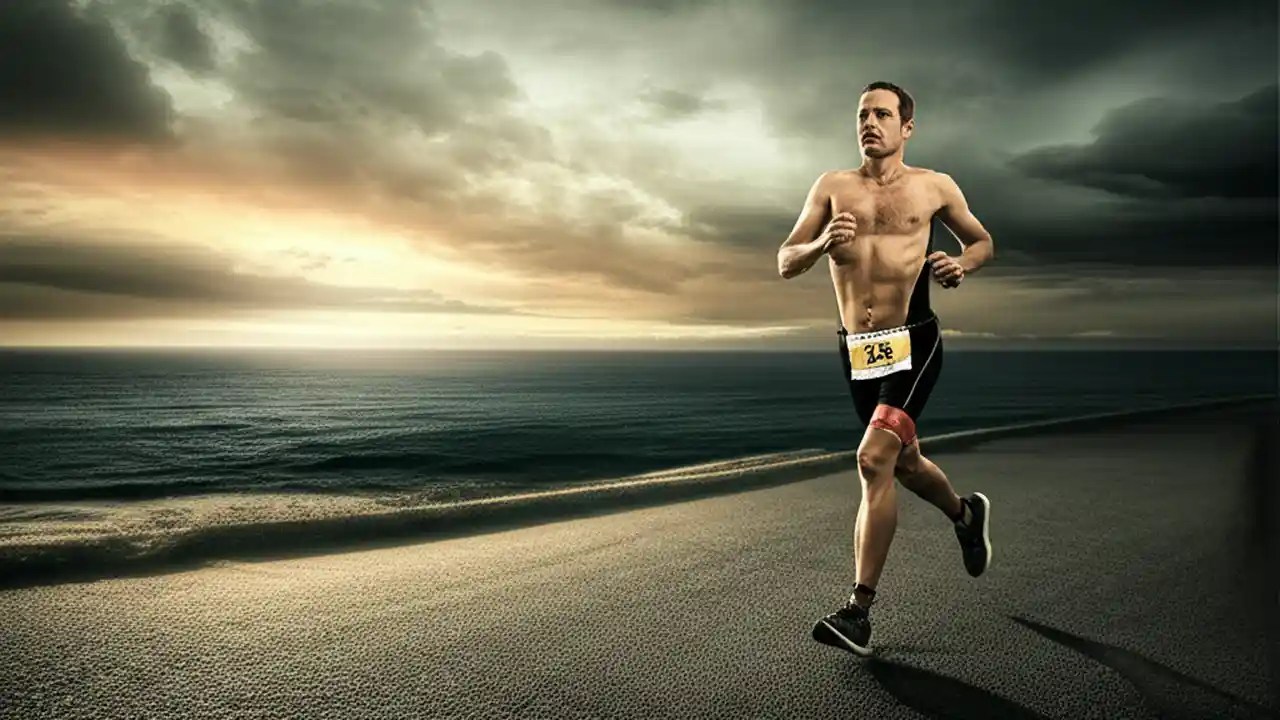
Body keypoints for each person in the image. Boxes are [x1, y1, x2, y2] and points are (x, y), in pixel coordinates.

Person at [776, 81, 995, 657]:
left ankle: (858, 612)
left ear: (907, 127)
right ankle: (965, 513)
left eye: (882, 114)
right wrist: (821, 241)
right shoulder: (831, 187)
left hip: (914, 341)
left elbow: (982, 240)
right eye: (862, 114)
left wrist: (961, 265)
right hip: (858, 351)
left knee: (874, 459)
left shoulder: (934, 187)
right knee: (903, 463)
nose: (869, 122)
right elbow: (784, 260)